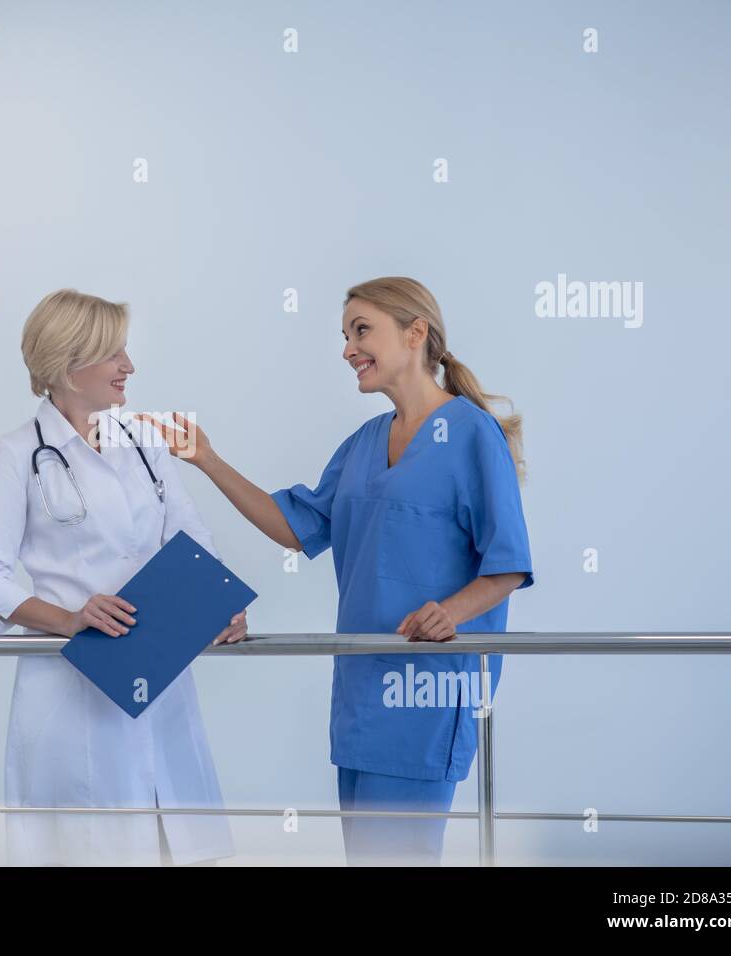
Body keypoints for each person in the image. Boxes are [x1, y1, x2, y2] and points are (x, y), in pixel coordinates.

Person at [139, 276, 534, 865]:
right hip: (359, 696)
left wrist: (448, 613)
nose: (348, 349)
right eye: (346, 334)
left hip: (425, 691)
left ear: (415, 332)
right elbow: (293, 526)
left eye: (361, 330)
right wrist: (207, 459)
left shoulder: (471, 435)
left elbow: (508, 565)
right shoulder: (364, 443)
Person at [0, 288, 245, 867]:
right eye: (114, 354)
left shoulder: (144, 443)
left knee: (176, 844)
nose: (129, 367)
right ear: (68, 364)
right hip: (72, 697)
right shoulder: (16, 454)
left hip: (160, 683)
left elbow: (193, 544)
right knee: (92, 848)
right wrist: (69, 618)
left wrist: (218, 604)